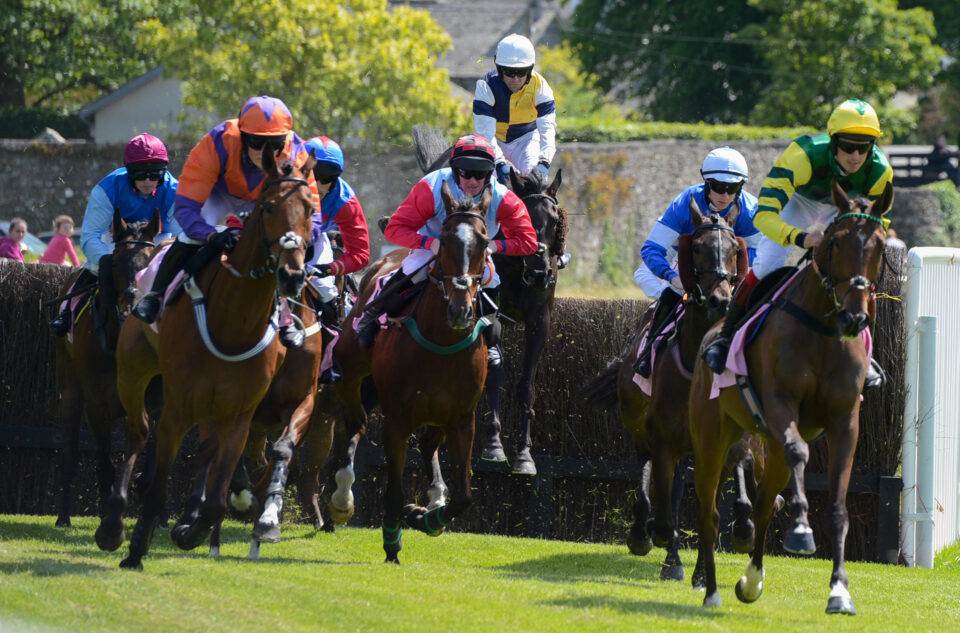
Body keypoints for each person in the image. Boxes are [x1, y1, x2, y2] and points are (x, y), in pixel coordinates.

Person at [701, 98, 893, 390]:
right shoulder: (802, 156)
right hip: (797, 203)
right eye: (848, 146)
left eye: (864, 147)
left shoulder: (881, 171)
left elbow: (878, 225)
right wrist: (801, 238)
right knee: (768, 263)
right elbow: (764, 216)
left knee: (858, 270)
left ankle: (867, 354)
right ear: (833, 142)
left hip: (843, 210)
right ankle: (726, 337)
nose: (856, 155)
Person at [131, 95, 321, 349]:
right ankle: (155, 295)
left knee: (282, 248)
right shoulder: (216, 144)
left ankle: (286, 319)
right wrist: (211, 235)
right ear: (242, 136)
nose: (268, 152)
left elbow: (313, 214)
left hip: (268, 201)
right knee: (190, 237)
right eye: (256, 142)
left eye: (276, 143)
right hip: (220, 195)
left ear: (285, 139)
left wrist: (300, 238)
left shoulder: (297, 153)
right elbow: (186, 208)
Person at [354, 133, 538, 367]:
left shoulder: (504, 198)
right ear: (454, 170)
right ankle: (370, 317)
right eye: (466, 173)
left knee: (492, 280)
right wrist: (428, 243)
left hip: (475, 252)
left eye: (480, 174)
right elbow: (394, 229)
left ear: (489, 173)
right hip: (433, 244)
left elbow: (529, 241)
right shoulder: (429, 188)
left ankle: (491, 343)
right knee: (413, 270)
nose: (473, 180)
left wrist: (494, 245)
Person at [632, 147, 761, 378]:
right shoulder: (684, 202)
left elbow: (761, 255)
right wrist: (673, 278)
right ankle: (650, 347)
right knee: (642, 276)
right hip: (687, 259)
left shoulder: (751, 211)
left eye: (733, 189)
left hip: (728, 266)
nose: (725, 195)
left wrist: (731, 271)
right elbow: (651, 249)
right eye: (718, 187)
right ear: (705, 182)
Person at [49, 133, 180, 336]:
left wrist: (156, 256)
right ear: (129, 172)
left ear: (163, 172)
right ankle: (66, 314)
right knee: (96, 266)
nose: (147, 180)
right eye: (140, 174)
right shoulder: (107, 188)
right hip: (114, 239)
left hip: (155, 239)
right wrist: (108, 260)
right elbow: (90, 235)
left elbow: (178, 236)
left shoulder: (173, 190)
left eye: (154, 175)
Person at [473, 34, 569, 269]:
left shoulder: (541, 86)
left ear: (530, 69)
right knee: (487, 188)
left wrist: (544, 164)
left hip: (527, 140)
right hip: (494, 141)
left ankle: (559, 249)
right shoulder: (485, 86)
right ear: (499, 68)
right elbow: (486, 135)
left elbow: (547, 131)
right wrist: (500, 164)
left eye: (521, 72)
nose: (515, 78)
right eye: (509, 72)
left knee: (539, 188)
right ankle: (478, 243)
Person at [300, 136, 370, 373]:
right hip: (275, 237)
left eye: (326, 179)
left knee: (327, 290)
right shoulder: (280, 177)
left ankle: (329, 359)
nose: (318, 185)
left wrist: (329, 269)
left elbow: (361, 254)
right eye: (311, 175)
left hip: (313, 240)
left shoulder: (345, 201)